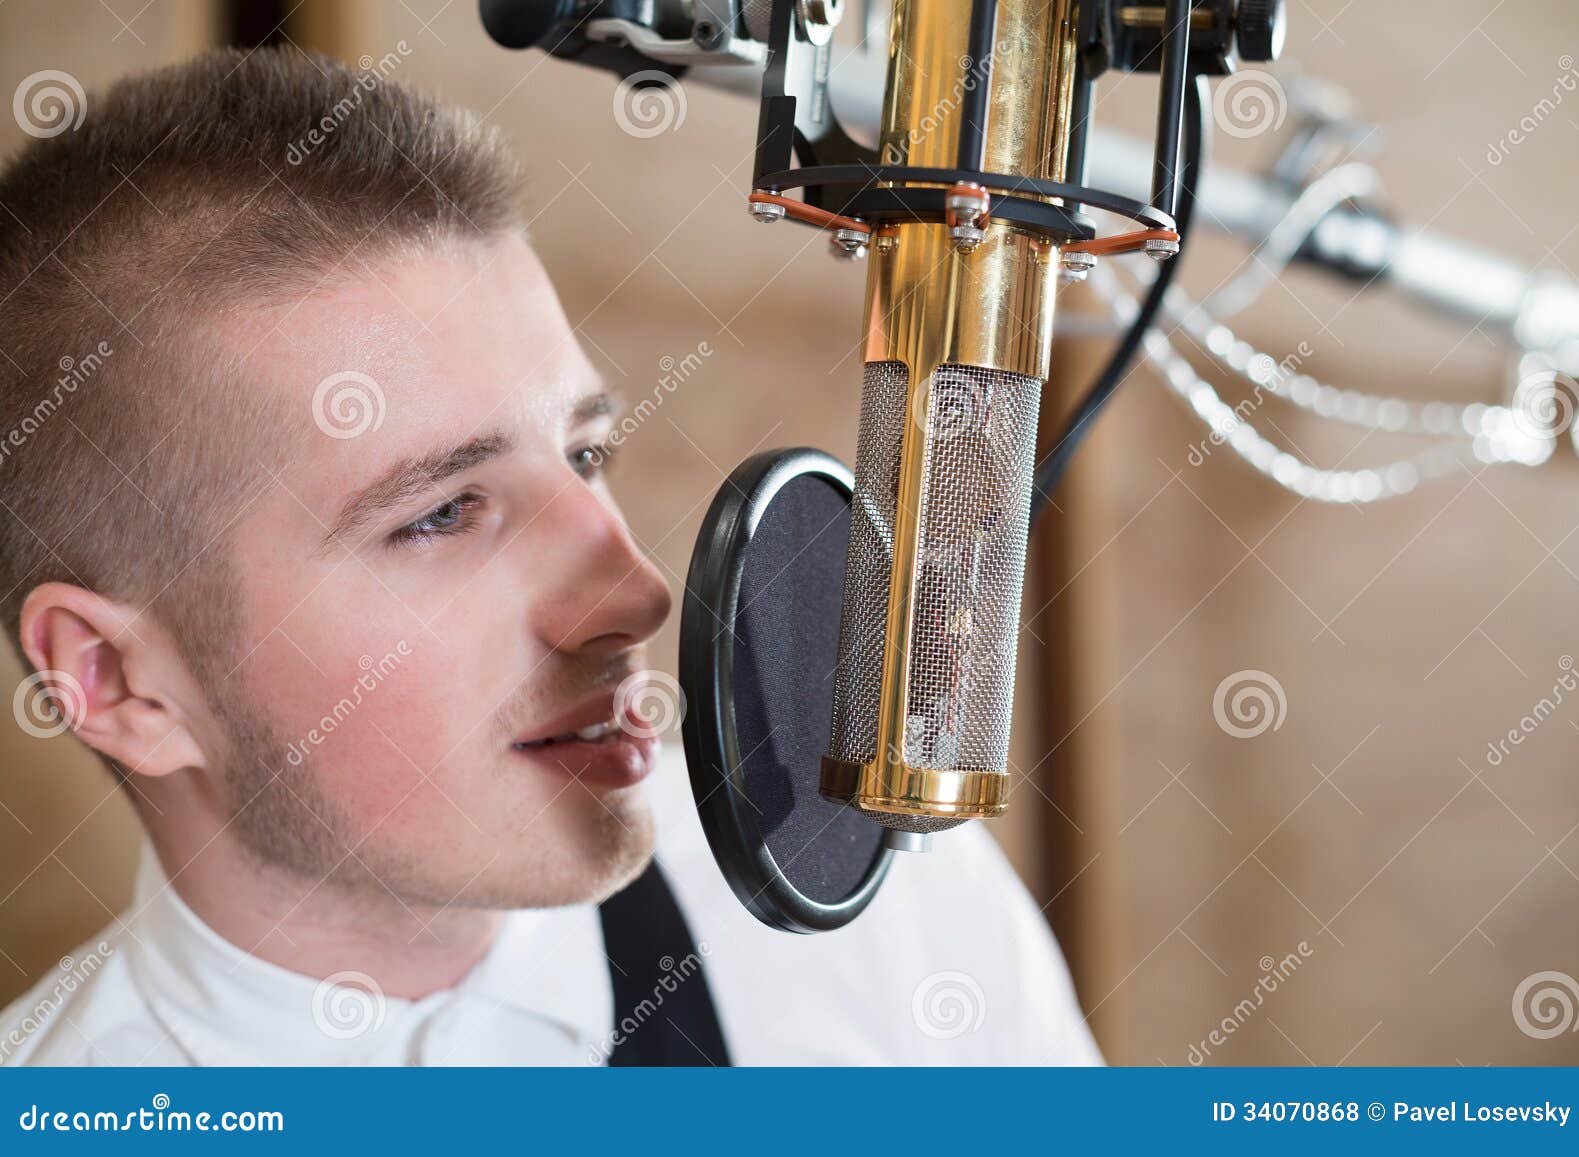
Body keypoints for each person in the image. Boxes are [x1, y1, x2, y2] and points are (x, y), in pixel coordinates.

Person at [0, 47, 1102, 1066]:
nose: (636, 592)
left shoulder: (896, 915)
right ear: (114, 681)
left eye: (587, 450)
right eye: (439, 513)